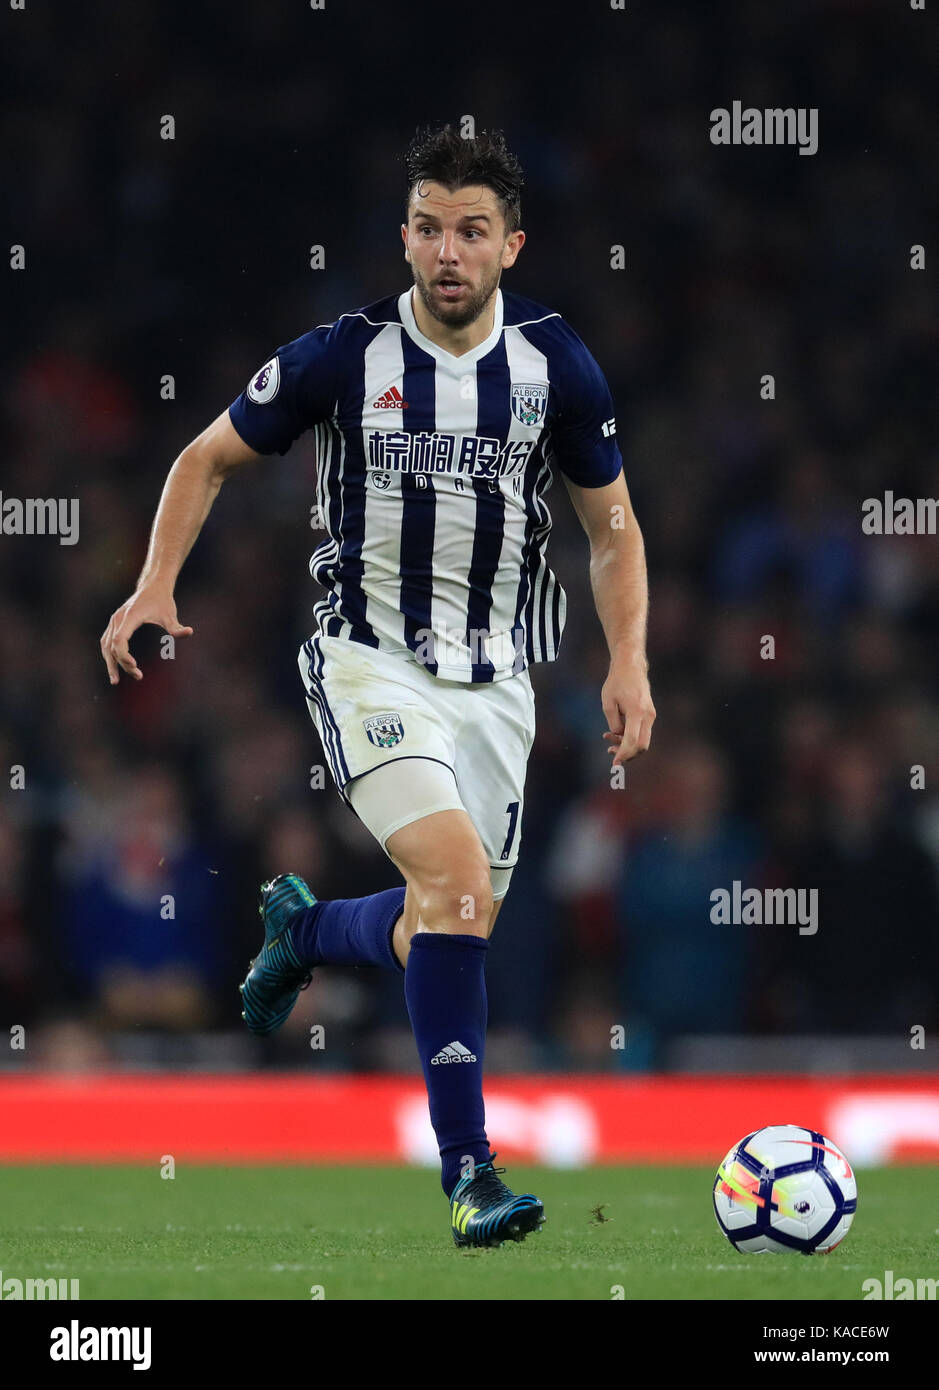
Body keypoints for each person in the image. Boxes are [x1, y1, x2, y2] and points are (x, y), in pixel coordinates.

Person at [100, 124, 656, 1248]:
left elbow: (613, 529)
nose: (449, 250)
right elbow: (203, 457)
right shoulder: (341, 357)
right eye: (431, 227)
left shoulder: (559, 366)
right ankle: (471, 1174)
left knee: (448, 922)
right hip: (368, 660)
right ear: (405, 237)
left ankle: (306, 937)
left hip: (497, 687)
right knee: (454, 884)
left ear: (511, 245)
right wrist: (153, 583)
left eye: (474, 230)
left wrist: (630, 658)